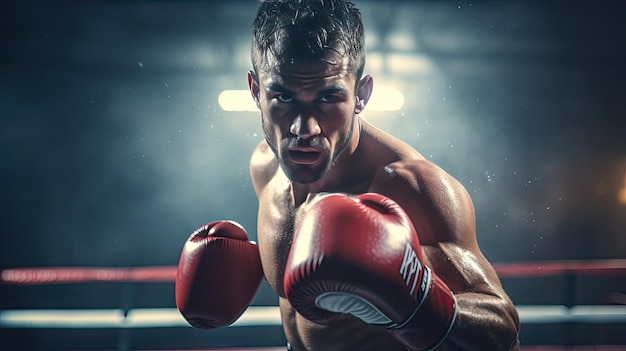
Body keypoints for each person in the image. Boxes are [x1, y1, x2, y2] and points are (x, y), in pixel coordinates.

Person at [176, 0, 521, 350]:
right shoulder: (265, 166)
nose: (304, 127)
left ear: (362, 94)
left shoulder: (407, 188)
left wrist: (416, 301)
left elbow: (502, 329)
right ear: (255, 91)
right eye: (283, 97)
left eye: (328, 98)